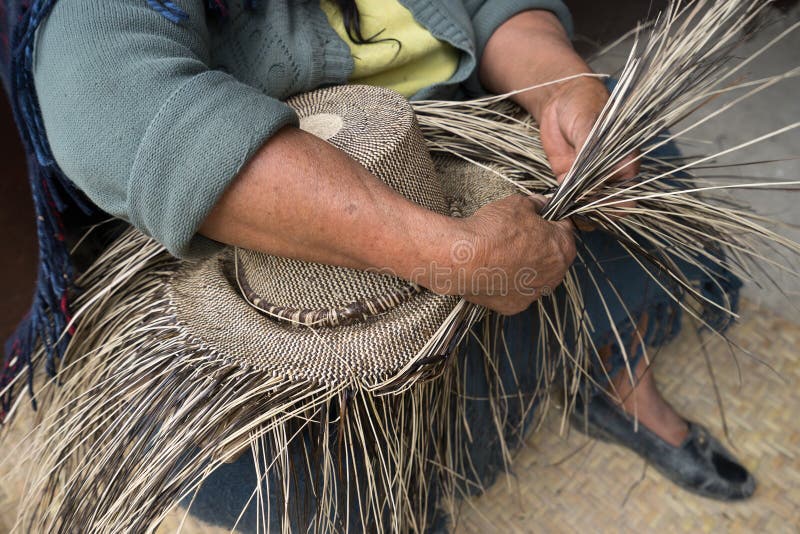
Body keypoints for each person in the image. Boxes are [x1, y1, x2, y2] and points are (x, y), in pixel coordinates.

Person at [15, 0, 752, 529]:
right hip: (282, 229)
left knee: (626, 172)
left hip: (447, 129)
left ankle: (616, 374)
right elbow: (118, 109)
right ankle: (412, 481)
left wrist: (559, 84)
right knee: (269, 469)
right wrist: (445, 255)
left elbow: (495, 6)